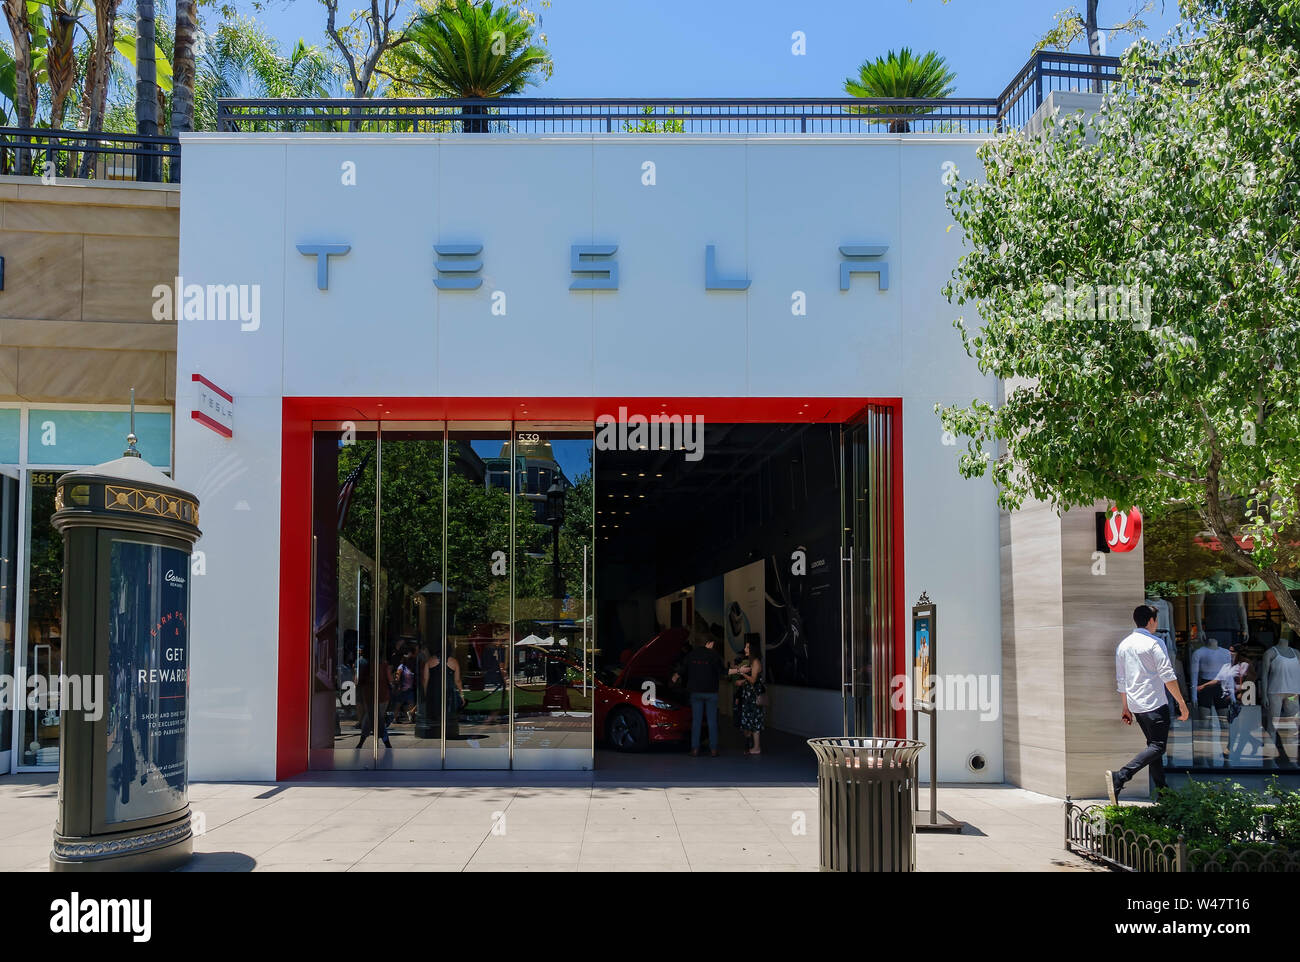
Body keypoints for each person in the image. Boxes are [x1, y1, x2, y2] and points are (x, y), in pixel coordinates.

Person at [1107, 605, 1190, 803]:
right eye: (1156, 620)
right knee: (1158, 747)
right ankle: (1121, 776)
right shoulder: (1155, 643)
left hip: (1136, 705)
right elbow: (1168, 676)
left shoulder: (1124, 645)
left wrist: (1125, 707)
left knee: (1153, 747)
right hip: (1154, 703)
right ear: (1151, 621)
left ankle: (1163, 792)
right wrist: (1182, 703)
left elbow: (1122, 680)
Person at [672, 636, 724, 757]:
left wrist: (675, 676)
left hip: (695, 692)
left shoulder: (691, 655)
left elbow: (682, 668)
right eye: (712, 643)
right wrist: (738, 671)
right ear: (709, 643)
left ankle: (695, 749)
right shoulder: (714, 655)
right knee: (712, 722)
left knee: (696, 721)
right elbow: (722, 672)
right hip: (711, 692)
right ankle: (713, 749)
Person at [730, 640, 766, 756]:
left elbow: (753, 680)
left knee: (755, 723)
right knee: (751, 722)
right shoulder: (752, 662)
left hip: (753, 699)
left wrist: (742, 673)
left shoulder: (755, 662)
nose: (745, 649)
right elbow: (751, 680)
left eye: (747, 647)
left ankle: (756, 747)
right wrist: (743, 680)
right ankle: (754, 746)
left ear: (752, 650)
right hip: (749, 698)